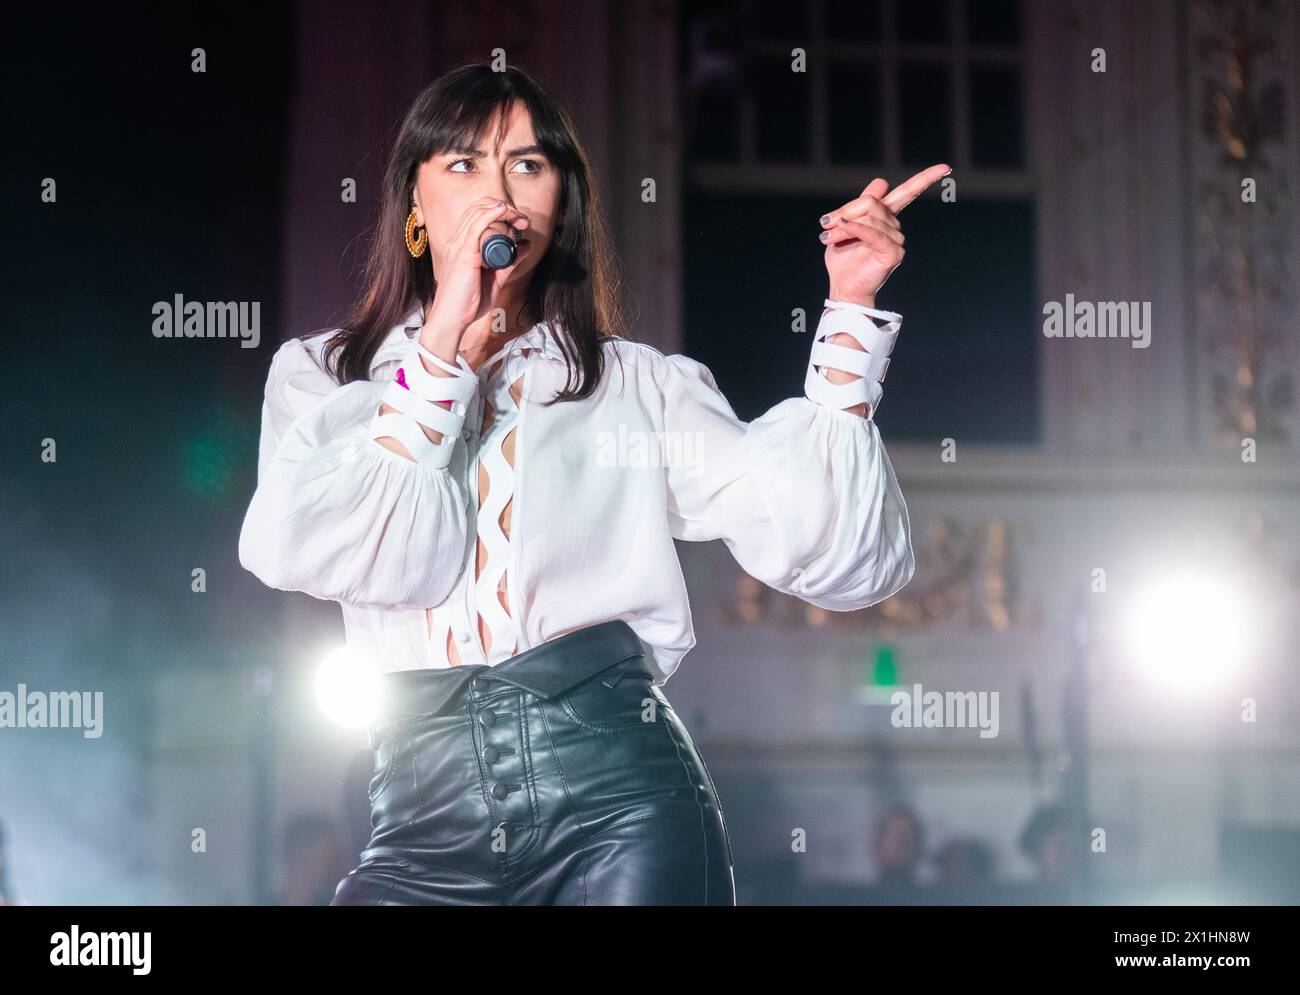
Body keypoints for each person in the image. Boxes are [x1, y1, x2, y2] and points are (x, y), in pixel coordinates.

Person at [239, 62, 936, 905]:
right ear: (413, 206)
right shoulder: (327, 376)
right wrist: (439, 357)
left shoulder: (631, 384)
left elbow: (831, 550)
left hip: (620, 800)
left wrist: (850, 315)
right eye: (462, 164)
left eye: (529, 165)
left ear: (559, 204)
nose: (498, 190)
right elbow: (351, 556)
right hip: (420, 817)